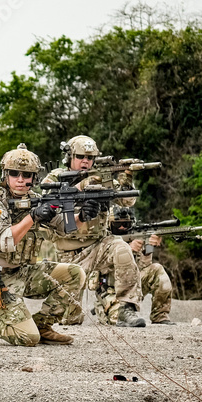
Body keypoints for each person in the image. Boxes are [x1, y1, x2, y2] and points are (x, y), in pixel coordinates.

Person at [0, 144, 85, 347]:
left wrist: (84, 216)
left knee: (75, 274)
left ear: (34, 178)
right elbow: (6, 241)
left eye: (26, 175)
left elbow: (64, 227)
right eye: (14, 174)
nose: (20, 179)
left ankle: (43, 325)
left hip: (24, 271)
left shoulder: (35, 199)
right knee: (27, 338)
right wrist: (33, 217)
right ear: (5, 175)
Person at [42, 135, 146, 327]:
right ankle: (99, 307)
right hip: (69, 256)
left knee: (121, 248)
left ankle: (127, 308)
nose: (85, 162)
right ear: (70, 156)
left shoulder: (99, 177)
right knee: (69, 319)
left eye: (90, 158)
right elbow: (47, 202)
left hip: (100, 246)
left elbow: (127, 200)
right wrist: (82, 186)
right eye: (81, 156)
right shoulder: (56, 176)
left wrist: (126, 177)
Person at [109, 208, 175, 325]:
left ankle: (159, 315)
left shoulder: (134, 236)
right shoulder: (105, 241)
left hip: (131, 287)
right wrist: (127, 249)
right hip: (110, 291)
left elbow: (143, 268)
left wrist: (146, 250)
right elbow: (104, 270)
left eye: (126, 224)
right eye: (118, 224)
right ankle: (120, 314)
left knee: (156, 269)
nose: (122, 227)